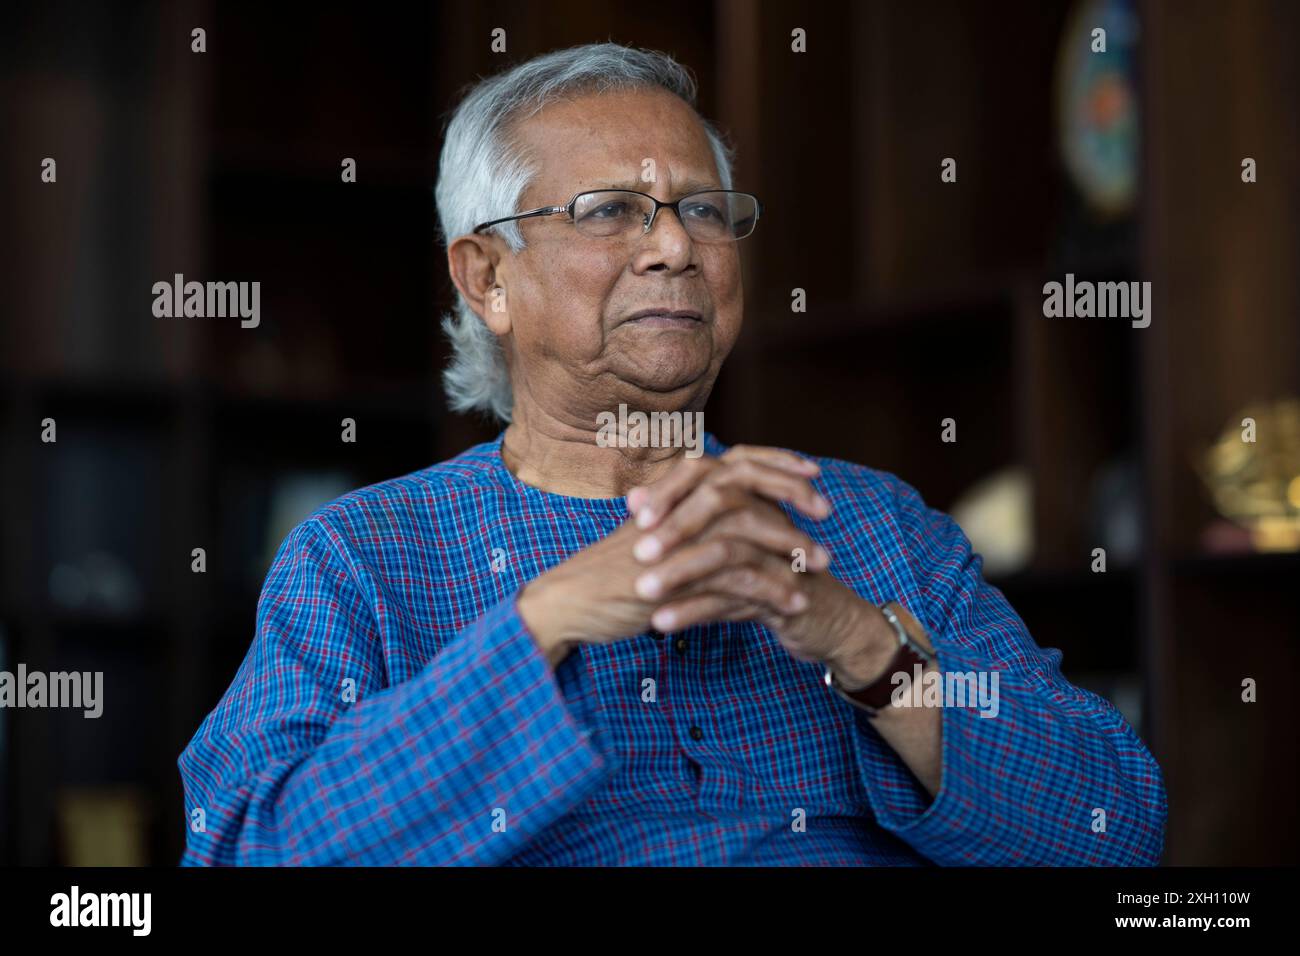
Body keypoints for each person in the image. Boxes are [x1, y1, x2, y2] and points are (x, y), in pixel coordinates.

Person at [178, 43, 1167, 865]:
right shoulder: (365, 556)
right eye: (609, 210)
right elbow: (243, 846)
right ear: (486, 276)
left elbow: (1113, 833)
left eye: (701, 209)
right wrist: (546, 620)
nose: (674, 248)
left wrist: (862, 644)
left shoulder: (872, 525)